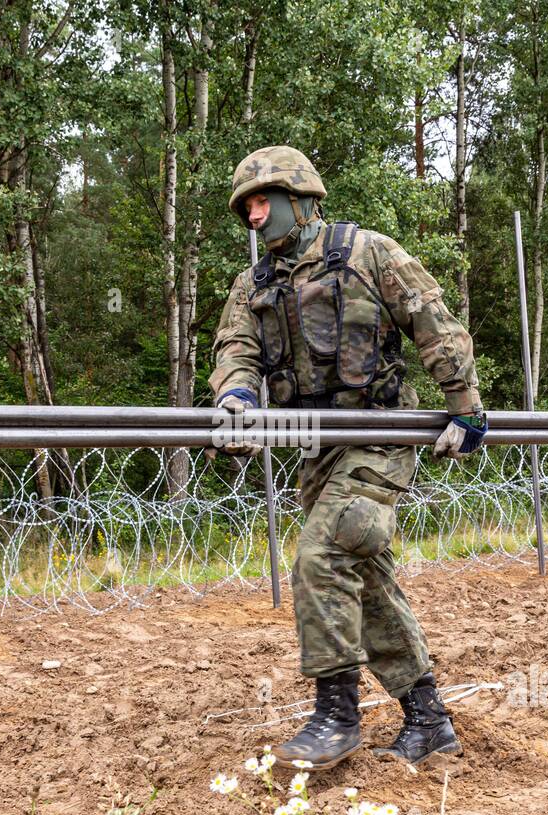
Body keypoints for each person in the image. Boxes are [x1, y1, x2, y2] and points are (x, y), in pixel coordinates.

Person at [208, 145, 487, 769]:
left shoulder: (368, 252)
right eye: (247, 207)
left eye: (262, 202)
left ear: (300, 199)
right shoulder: (254, 285)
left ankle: (337, 715)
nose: (254, 216)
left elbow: (432, 321)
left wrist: (464, 404)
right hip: (317, 448)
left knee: (323, 553)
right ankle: (428, 720)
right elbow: (235, 347)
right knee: (363, 576)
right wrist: (235, 396)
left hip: (383, 431)